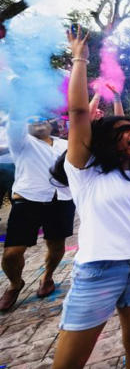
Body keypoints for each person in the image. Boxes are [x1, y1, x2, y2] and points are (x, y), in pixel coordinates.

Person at [50, 25, 130, 369]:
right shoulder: (86, 172)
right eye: (123, 132)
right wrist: (80, 58)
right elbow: (78, 115)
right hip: (98, 270)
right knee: (68, 364)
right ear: (106, 140)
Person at [0, 113, 73, 311]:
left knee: (57, 245)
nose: (37, 120)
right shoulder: (21, 142)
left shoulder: (64, 145)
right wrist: (18, 103)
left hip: (61, 199)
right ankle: (15, 284)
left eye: (41, 117)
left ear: (50, 122)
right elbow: (15, 124)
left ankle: (47, 277)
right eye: (30, 117)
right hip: (28, 199)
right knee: (11, 254)